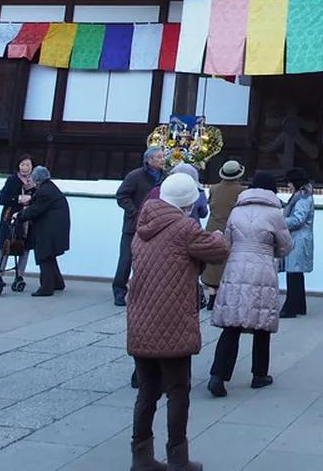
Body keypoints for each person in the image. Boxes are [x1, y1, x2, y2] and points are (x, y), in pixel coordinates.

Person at [127, 172, 229, 471]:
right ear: (188, 202)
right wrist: (220, 236)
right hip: (171, 322)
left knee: (147, 392)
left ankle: (141, 457)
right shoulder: (185, 228)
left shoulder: (142, 225)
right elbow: (218, 251)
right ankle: (178, 459)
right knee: (177, 391)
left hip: (141, 320)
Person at [207, 172, 292, 398]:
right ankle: (259, 375)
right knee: (261, 324)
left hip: (236, 267)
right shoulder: (275, 214)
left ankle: (218, 375)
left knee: (232, 324)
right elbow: (285, 247)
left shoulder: (237, 210)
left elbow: (226, 242)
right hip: (263, 268)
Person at [114, 145, 167, 306]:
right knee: (126, 259)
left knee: (150, 261)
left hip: (156, 225)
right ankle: (119, 291)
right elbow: (122, 195)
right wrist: (135, 212)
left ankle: (144, 293)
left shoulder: (166, 177)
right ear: (149, 160)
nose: (163, 160)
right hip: (133, 226)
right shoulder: (135, 176)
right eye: (159, 157)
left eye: (163, 156)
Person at [17, 166, 71, 296]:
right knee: (49, 255)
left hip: (49, 229)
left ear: (38, 179)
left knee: (44, 255)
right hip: (55, 228)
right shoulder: (49, 188)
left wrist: (19, 216)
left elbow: (36, 209)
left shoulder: (44, 192)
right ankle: (57, 283)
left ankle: (46, 287)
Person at [202, 160, 247, 310]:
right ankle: (226, 299)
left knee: (212, 263)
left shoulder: (214, 188)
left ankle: (212, 298)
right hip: (232, 228)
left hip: (213, 227)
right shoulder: (242, 190)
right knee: (229, 264)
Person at [0, 154, 36, 288]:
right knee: (5, 246)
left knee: (25, 247)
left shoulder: (35, 182)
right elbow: (2, 199)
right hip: (10, 218)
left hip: (27, 219)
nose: (25, 168)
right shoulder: (12, 180)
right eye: (22, 164)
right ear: (18, 166)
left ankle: (20, 275)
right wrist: (18, 199)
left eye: (28, 165)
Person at [279, 167, 314, 319]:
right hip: (297, 239)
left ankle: (290, 308)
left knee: (293, 273)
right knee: (295, 274)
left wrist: (279, 221)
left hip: (298, 239)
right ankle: (299, 305)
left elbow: (298, 220)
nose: (288, 186)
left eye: (290, 183)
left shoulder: (303, 198)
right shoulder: (300, 196)